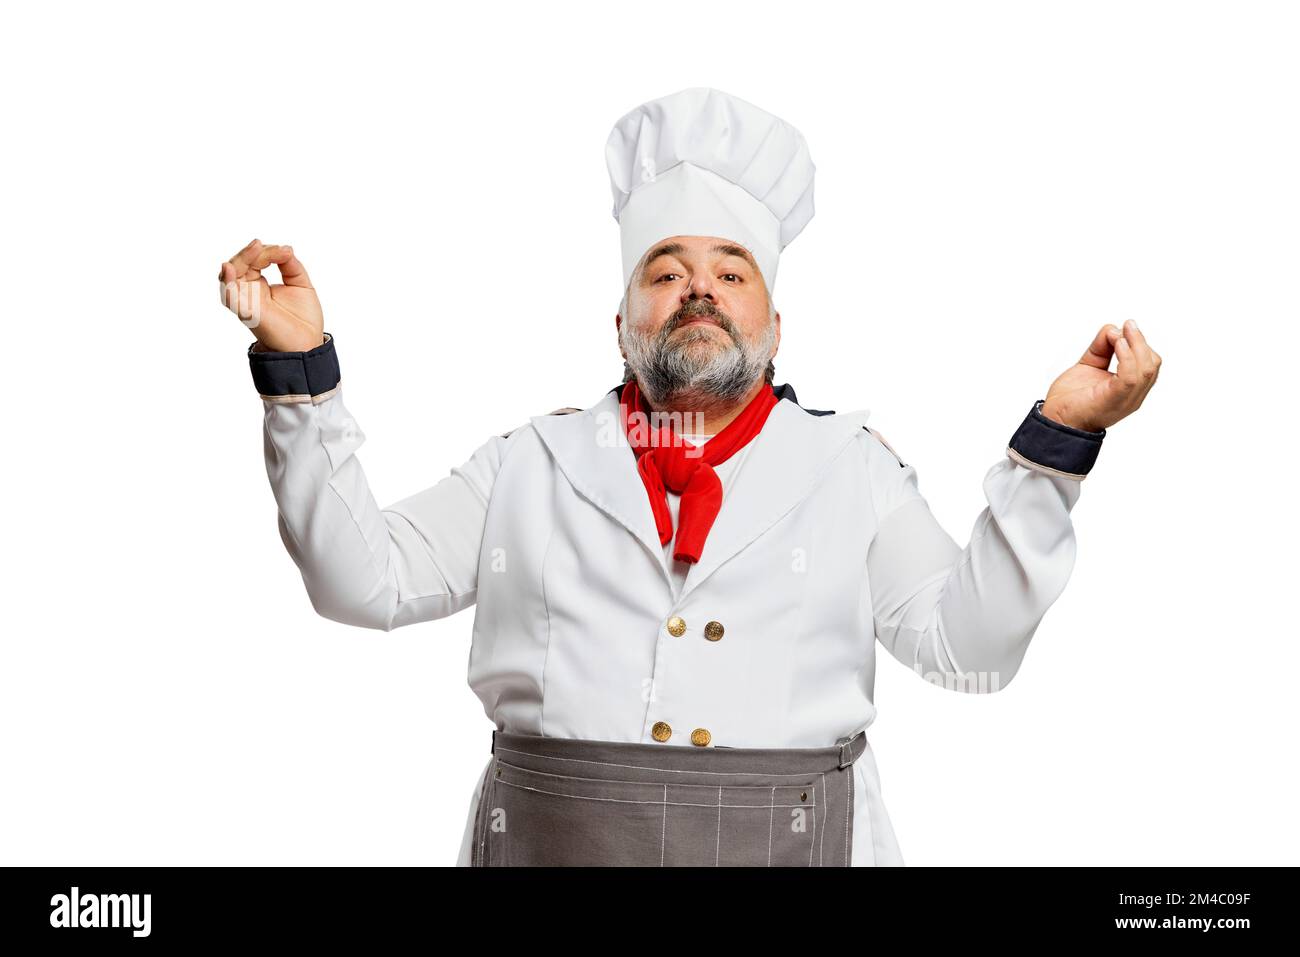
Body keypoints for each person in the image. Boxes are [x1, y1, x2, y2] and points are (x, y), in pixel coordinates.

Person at [217, 87, 1161, 866]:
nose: (699, 287)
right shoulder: (527, 464)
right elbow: (357, 580)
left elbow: (971, 648)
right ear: (621, 323)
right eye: (665, 271)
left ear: (776, 328)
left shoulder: (852, 470)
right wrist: (301, 379)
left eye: (732, 272)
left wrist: (1056, 447)